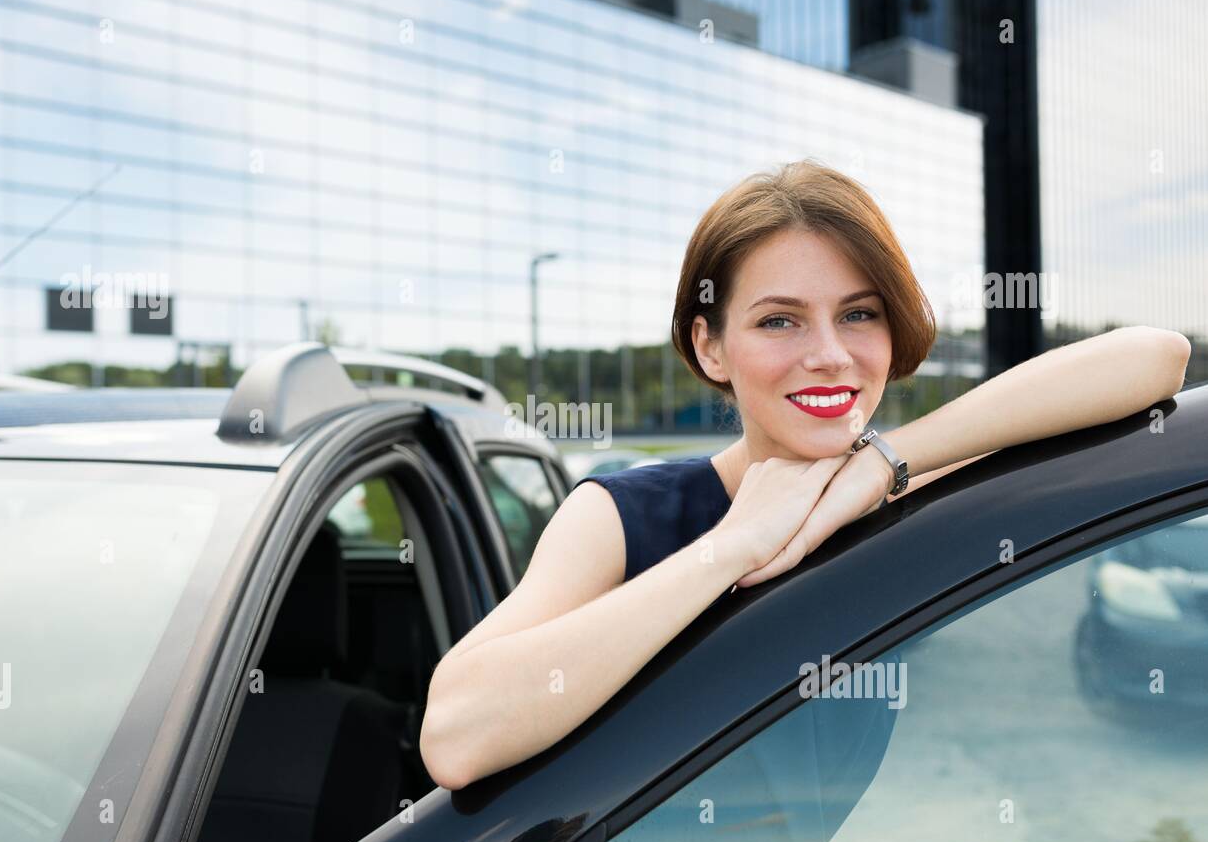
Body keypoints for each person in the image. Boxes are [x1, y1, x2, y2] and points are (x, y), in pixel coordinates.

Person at [419, 159, 1192, 792]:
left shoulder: (901, 487)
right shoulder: (622, 517)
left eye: (859, 313)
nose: (828, 353)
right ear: (711, 346)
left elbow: (1156, 358)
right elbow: (456, 737)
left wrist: (885, 462)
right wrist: (734, 545)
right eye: (779, 320)